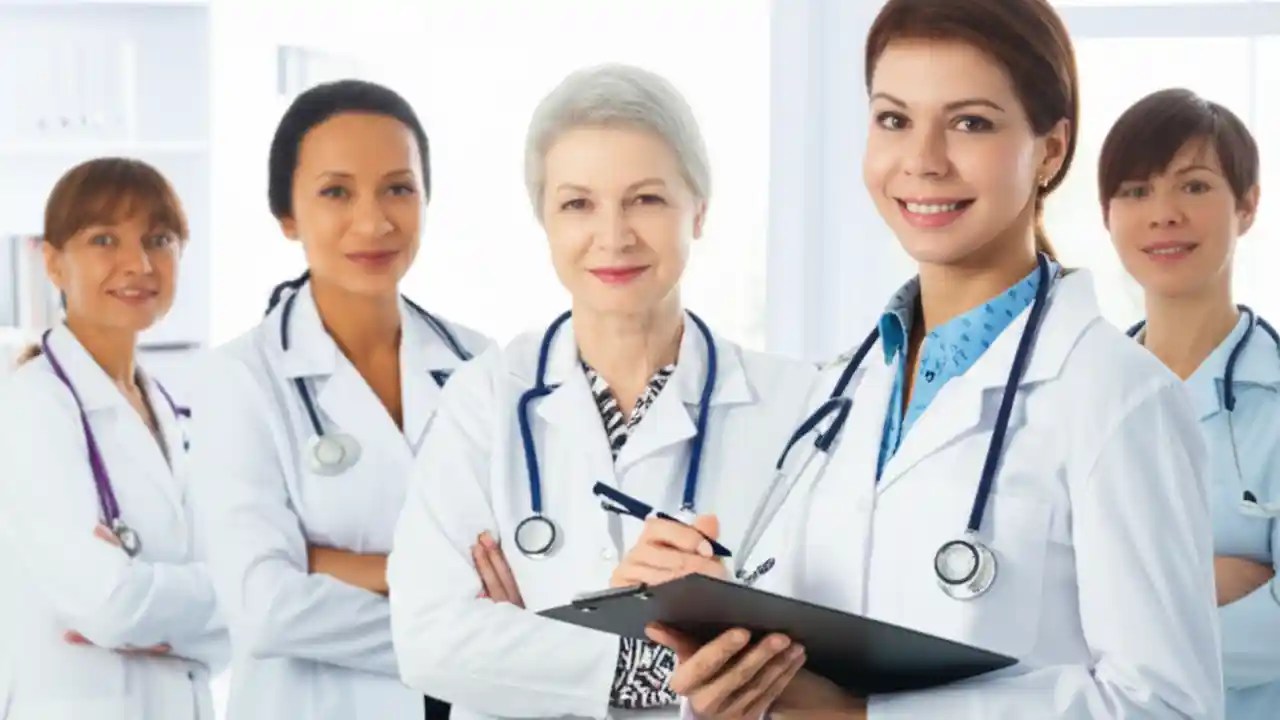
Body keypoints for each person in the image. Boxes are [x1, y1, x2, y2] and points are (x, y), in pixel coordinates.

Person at [646, 2, 1223, 718]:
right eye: (894, 119)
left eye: (970, 122)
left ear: (1050, 149)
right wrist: (715, 624)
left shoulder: (1119, 397)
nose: (922, 159)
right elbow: (815, 651)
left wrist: (861, 717)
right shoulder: (842, 389)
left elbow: (1167, 706)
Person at [386, 63, 817, 720]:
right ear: (545, 220)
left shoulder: (795, 404)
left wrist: (533, 634)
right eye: (577, 203)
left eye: (646, 198)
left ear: (698, 210)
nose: (613, 236)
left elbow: (818, 631)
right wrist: (671, 669)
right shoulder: (485, 400)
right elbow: (428, 641)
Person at [188, 79, 490, 720]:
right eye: (336, 192)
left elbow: (530, 569)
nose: (374, 220)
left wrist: (339, 565)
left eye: (398, 188)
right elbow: (263, 607)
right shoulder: (240, 379)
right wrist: (456, 616)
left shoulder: (480, 366)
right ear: (287, 215)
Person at [0, 157, 227, 719]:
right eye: (104, 239)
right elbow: (109, 605)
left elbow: (239, 632)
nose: (139, 263)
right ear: (52, 262)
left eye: (159, 238)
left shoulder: (178, 419)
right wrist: (229, 595)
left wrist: (189, 605)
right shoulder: (30, 406)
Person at [1101, 87, 1279, 719]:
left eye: (1195, 186)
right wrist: (1201, 583)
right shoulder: (1074, 393)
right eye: (1135, 191)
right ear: (1108, 215)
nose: (1163, 214)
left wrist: (1115, 621)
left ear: (1248, 206)